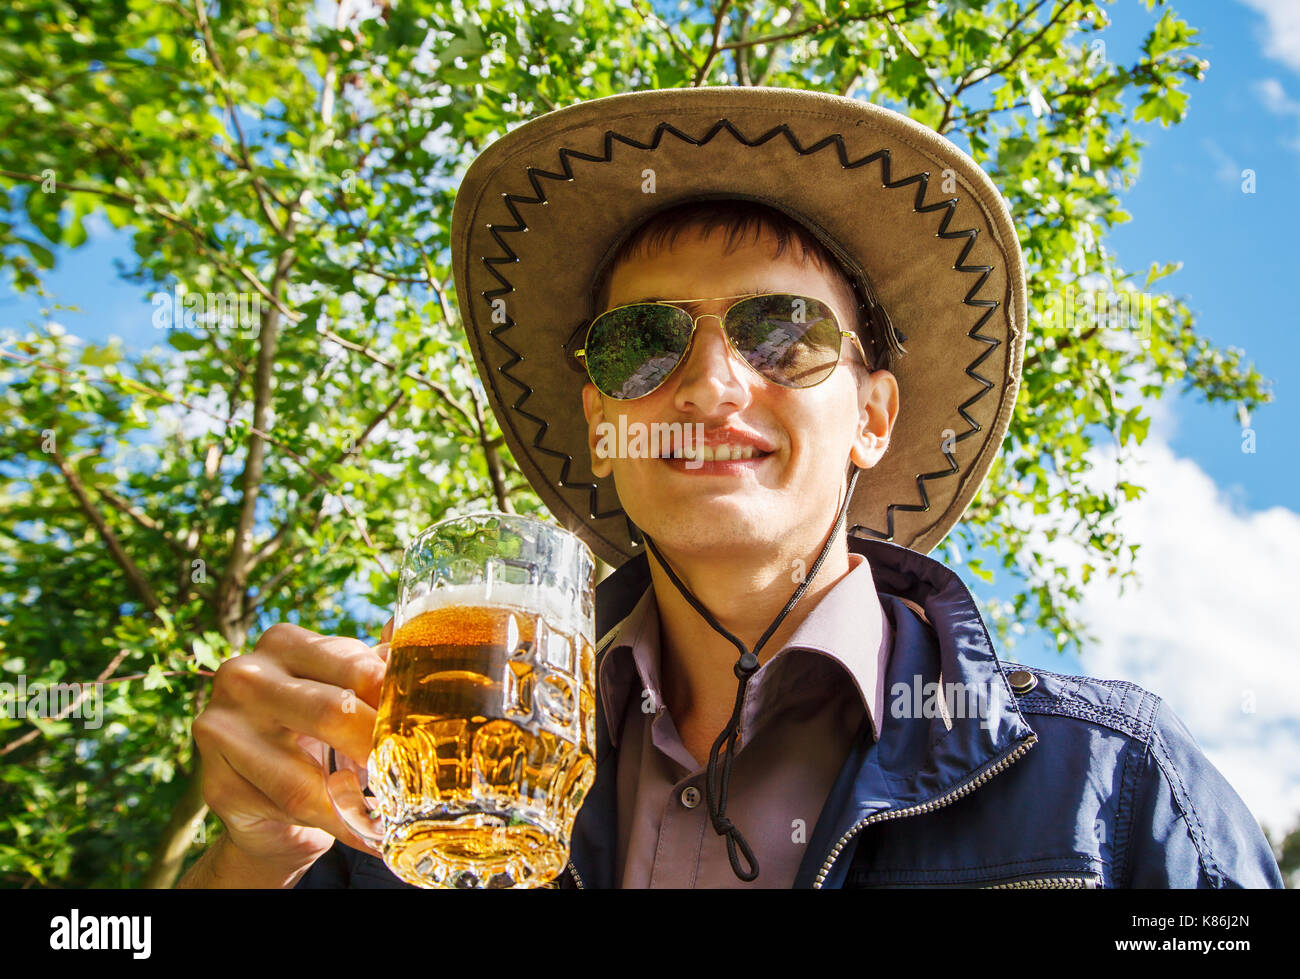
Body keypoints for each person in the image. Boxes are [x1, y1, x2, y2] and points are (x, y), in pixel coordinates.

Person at [178, 87, 1283, 889]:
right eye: (641, 346)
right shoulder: (417, 795)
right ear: (603, 426)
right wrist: (251, 858)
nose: (709, 385)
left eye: (783, 333)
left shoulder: (1112, 783)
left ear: (872, 417)